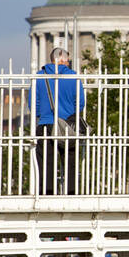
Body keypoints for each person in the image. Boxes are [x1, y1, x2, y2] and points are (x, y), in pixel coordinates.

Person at [30, 48, 86, 194]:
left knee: (46, 162)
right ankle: (70, 193)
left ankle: (47, 193)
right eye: (67, 61)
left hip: (45, 125)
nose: (68, 63)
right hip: (67, 125)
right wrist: (68, 113)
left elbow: (32, 105)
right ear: (61, 60)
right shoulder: (73, 76)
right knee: (70, 162)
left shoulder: (39, 76)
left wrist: (44, 113)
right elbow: (80, 103)